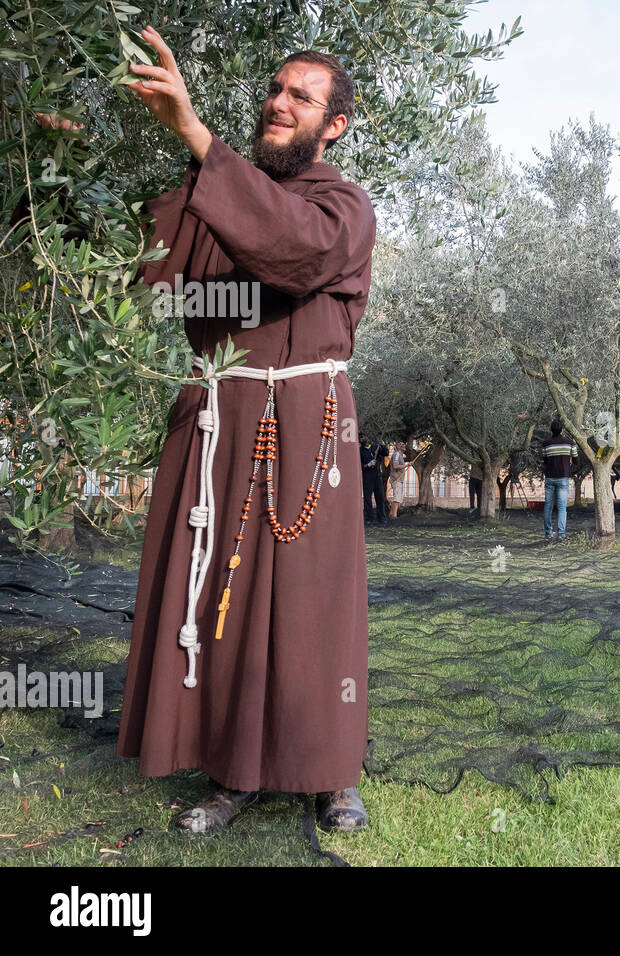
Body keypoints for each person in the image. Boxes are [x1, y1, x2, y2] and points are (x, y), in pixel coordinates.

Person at [113, 29, 376, 833]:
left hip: (311, 428)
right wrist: (76, 157)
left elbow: (290, 250)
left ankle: (331, 771)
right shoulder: (221, 195)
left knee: (311, 603)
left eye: (302, 95)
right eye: (276, 88)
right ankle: (233, 769)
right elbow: (141, 263)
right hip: (220, 425)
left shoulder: (344, 207)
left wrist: (198, 137)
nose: (279, 101)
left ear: (334, 125)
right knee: (221, 590)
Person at [541, 419, 577, 541]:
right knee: (562, 507)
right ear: (562, 430)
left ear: (551, 430)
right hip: (563, 478)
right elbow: (576, 460)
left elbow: (545, 461)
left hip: (550, 478)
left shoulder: (546, 444)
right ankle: (561, 534)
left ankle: (548, 533)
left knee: (548, 506)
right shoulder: (570, 443)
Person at [359, 433, 387, 526]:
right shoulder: (360, 451)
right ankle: (369, 518)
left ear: (367, 437)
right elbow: (359, 467)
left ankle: (381, 518)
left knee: (380, 497)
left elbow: (385, 453)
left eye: (363, 437)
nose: (362, 439)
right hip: (367, 477)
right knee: (367, 498)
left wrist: (382, 445)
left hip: (377, 476)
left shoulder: (375, 447)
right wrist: (368, 465)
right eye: (360, 438)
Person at [386, 441, 407, 519]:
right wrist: (406, 465)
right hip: (396, 479)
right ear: (396, 447)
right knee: (397, 498)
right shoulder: (397, 454)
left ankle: (391, 514)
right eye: (400, 444)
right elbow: (395, 466)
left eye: (403, 444)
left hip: (399, 480)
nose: (403, 445)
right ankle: (394, 516)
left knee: (398, 498)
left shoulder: (400, 455)